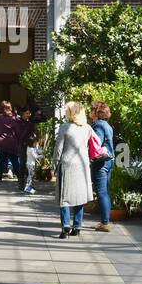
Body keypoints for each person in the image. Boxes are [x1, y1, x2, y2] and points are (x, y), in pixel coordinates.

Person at [54, 101, 94, 240]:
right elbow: (96, 142)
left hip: (67, 164)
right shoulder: (87, 128)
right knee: (79, 197)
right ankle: (77, 227)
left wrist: (54, 165)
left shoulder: (65, 127)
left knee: (64, 197)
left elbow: (58, 149)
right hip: (82, 165)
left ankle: (65, 227)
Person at [90, 101, 116, 231]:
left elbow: (97, 144)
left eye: (91, 110)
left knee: (101, 192)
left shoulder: (98, 125)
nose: (90, 112)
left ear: (96, 112)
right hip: (109, 160)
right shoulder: (107, 125)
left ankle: (105, 223)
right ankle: (104, 221)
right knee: (105, 191)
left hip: (101, 162)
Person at [0, 100, 22, 182]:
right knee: (15, 160)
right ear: (10, 108)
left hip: (1, 143)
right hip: (12, 142)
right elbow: (18, 131)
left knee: (1, 161)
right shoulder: (15, 118)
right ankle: (19, 177)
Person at [15, 107, 37, 191]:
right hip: (22, 145)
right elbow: (20, 135)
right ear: (23, 114)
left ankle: (30, 184)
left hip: (30, 145)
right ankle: (21, 184)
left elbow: (33, 132)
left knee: (31, 165)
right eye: (27, 113)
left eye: (29, 113)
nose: (29, 115)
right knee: (22, 164)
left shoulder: (30, 123)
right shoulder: (18, 122)